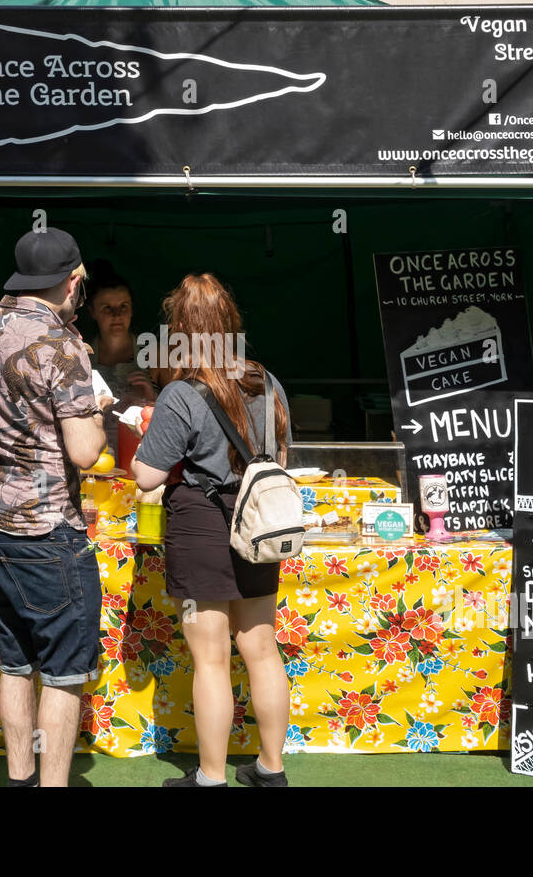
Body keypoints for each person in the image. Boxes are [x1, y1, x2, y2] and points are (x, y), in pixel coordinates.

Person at [0, 227, 110, 787]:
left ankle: (21, 780)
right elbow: (85, 451)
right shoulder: (63, 345)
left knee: (16, 664)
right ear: (71, 282)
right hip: (48, 530)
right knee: (65, 676)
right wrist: (96, 405)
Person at [129, 274, 293, 788]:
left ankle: (211, 777)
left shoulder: (180, 392)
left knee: (211, 657)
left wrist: (147, 434)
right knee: (262, 647)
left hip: (201, 523)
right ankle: (271, 769)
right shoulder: (268, 383)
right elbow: (281, 460)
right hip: (259, 525)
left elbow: (147, 477)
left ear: (180, 330)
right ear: (230, 323)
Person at [87, 264, 158, 450]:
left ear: (132, 309)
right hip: (94, 453)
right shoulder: (82, 354)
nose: (117, 314)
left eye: (123, 306)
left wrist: (150, 397)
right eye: (107, 308)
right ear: (92, 312)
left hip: (139, 452)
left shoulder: (152, 354)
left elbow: (173, 416)